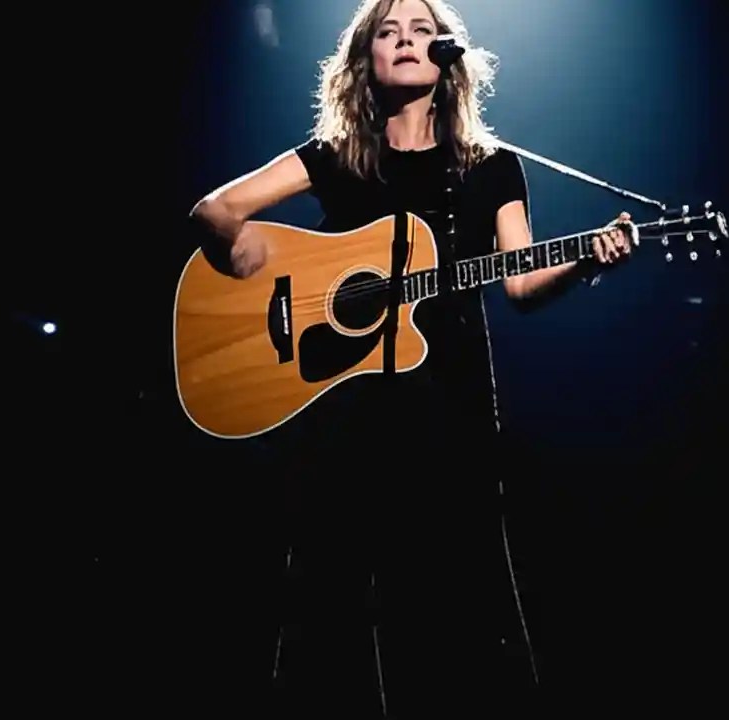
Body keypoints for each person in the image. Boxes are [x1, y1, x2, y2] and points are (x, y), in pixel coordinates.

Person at [188, 0, 633, 716]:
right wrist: (252, 256)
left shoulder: (491, 169)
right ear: (364, 57)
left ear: (449, 56)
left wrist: (586, 259)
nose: (404, 41)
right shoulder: (335, 157)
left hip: (449, 408)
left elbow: (520, 281)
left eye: (421, 30)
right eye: (387, 32)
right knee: (327, 606)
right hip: (344, 405)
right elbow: (215, 209)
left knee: (456, 606)